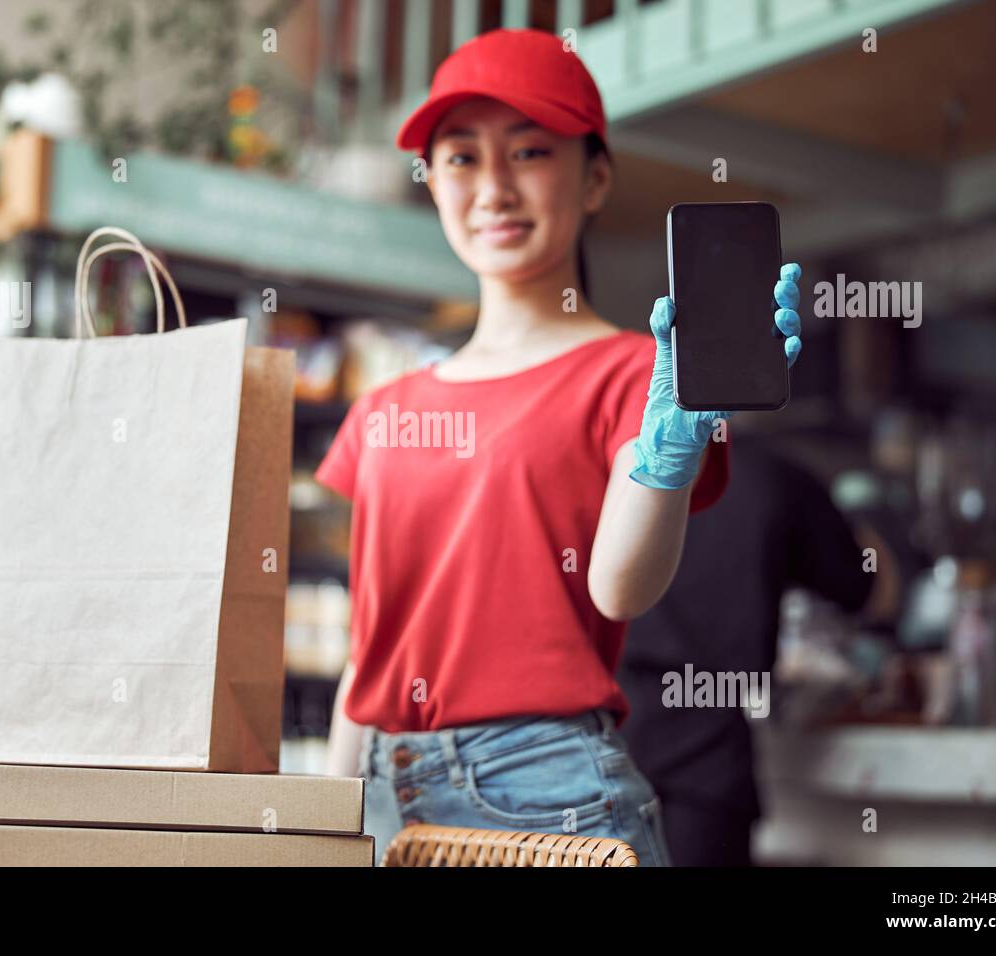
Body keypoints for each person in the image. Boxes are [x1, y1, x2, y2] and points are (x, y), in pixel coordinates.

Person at [314, 28, 803, 867]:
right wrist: (328, 822)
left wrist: (666, 455)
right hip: (382, 797)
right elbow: (371, 648)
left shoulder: (637, 373)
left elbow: (619, 587)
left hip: (543, 791)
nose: (494, 187)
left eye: (530, 151)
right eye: (460, 158)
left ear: (596, 176)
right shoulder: (384, 408)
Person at [618, 433, 878, 866]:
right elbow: (865, 591)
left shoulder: (611, 472)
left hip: (606, 753)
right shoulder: (775, 477)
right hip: (707, 770)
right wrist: (870, 526)